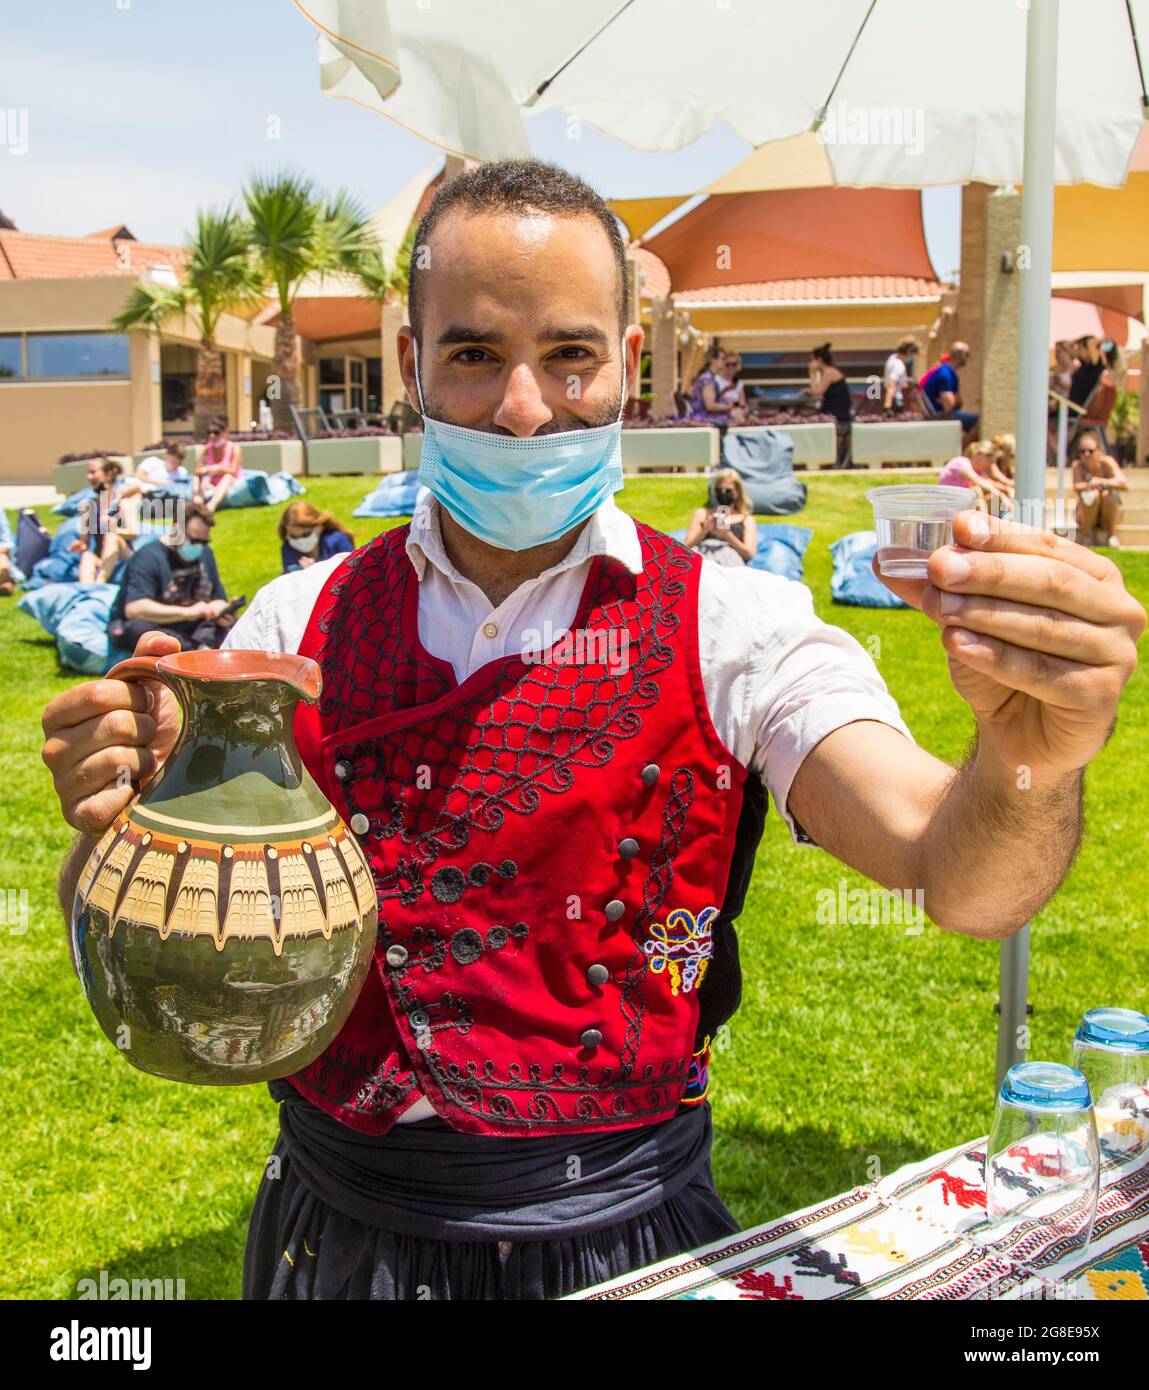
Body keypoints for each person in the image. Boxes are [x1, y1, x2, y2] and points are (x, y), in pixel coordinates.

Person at [41, 158, 1145, 1304]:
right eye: (475, 354)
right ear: (413, 366)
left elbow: (952, 874)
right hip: (342, 1236)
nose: (525, 407)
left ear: (626, 359)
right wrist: (112, 822)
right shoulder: (290, 626)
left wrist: (1030, 758)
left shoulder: (738, 627)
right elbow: (138, 955)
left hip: (626, 1238)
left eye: (569, 353)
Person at [106, 500, 234, 652]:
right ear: (175, 530)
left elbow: (217, 596)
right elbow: (135, 609)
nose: (199, 546)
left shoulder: (205, 553)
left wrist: (222, 610)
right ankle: (198, 650)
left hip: (191, 624)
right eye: (194, 540)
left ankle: (200, 649)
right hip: (159, 624)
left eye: (204, 541)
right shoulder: (147, 557)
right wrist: (188, 612)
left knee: (235, 624)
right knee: (143, 630)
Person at [68, 456, 140, 585]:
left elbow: (134, 533)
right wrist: (80, 544)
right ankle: (87, 589)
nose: (89, 477)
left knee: (111, 537)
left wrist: (115, 529)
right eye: (88, 473)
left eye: (93, 472)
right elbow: (85, 543)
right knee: (87, 556)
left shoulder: (123, 503)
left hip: (124, 556)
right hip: (102, 558)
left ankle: (100, 584)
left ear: (108, 474)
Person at [683, 469, 757, 566]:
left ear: (738, 492)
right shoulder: (702, 514)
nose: (723, 493)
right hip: (703, 554)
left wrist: (727, 535)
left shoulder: (746, 519)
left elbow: (749, 554)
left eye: (728, 490)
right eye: (719, 490)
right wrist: (704, 531)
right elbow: (685, 548)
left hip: (730, 558)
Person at [1072, 430, 1128, 547]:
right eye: (1082, 451)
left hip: (1108, 510)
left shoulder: (1107, 463)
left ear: (1099, 450)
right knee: (1094, 496)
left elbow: (1123, 483)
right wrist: (1091, 486)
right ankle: (1086, 536)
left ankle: (1112, 535)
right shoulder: (1078, 466)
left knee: (1109, 496)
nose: (1086, 454)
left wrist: (1102, 482)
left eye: (1090, 451)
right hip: (1086, 511)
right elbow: (1076, 486)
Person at [919, 342, 979, 440]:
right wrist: (954, 400)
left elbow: (958, 403)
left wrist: (953, 400)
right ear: (961, 355)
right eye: (967, 354)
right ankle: (963, 450)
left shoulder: (951, 374)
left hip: (944, 413)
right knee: (978, 421)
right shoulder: (945, 374)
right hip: (938, 416)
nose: (968, 358)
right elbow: (950, 406)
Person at [278, 500, 356, 573]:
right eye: (293, 536)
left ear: (319, 527)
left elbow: (352, 574)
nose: (300, 540)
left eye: (305, 534)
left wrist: (316, 570)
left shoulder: (339, 540)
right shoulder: (288, 548)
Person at [938, 442, 1013, 516]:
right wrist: (1001, 495)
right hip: (948, 508)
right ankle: (983, 522)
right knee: (976, 491)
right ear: (982, 455)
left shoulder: (979, 471)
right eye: (991, 461)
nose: (992, 464)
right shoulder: (960, 462)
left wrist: (1007, 490)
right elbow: (976, 480)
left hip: (962, 507)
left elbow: (990, 483)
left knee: (994, 498)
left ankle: (1004, 518)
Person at [808, 343, 852, 466]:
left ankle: (820, 461)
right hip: (832, 413)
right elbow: (816, 391)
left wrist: (811, 373)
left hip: (838, 417)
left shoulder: (829, 372)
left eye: (812, 360)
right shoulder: (826, 373)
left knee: (809, 423)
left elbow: (816, 393)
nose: (811, 363)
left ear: (819, 360)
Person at [687, 347, 745, 426]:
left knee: (739, 414)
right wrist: (729, 407)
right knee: (737, 416)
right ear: (713, 360)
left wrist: (724, 391)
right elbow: (710, 406)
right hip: (704, 418)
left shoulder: (708, 377)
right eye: (723, 359)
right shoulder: (708, 379)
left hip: (704, 416)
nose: (724, 362)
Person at [193, 419, 242, 513]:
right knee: (196, 478)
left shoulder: (234, 448)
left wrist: (219, 469)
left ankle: (211, 506)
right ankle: (197, 503)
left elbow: (233, 471)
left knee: (227, 477)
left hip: (230, 483)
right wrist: (204, 470)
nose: (212, 436)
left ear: (225, 433)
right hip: (212, 485)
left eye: (216, 432)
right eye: (209, 432)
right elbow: (197, 470)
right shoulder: (206, 449)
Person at [882, 337, 919, 413]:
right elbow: (891, 385)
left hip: (894, 399)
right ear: (909, 352)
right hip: (896, 401)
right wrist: (887, 406)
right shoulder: (899, 365)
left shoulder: (892, 358)